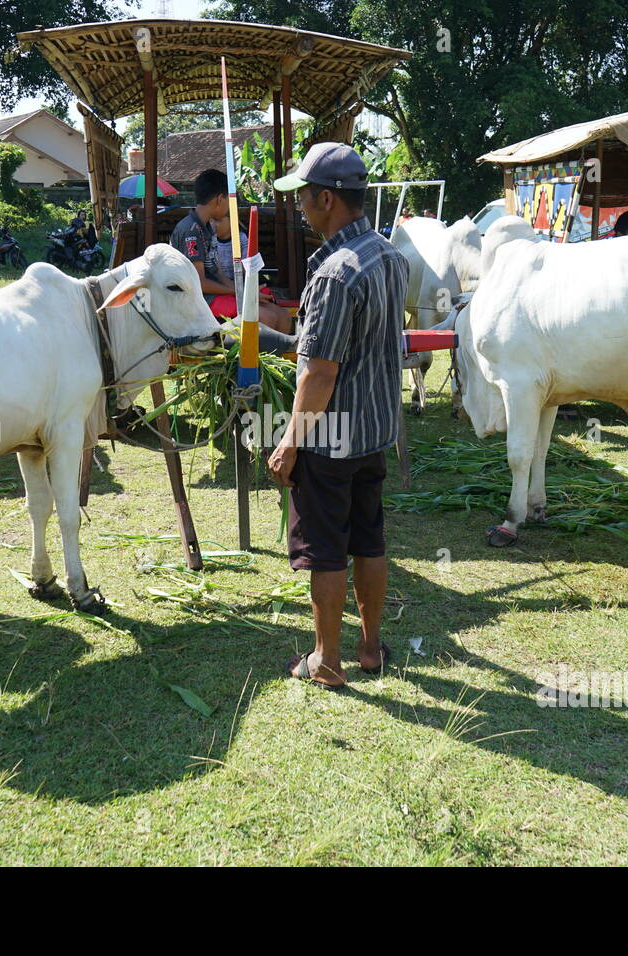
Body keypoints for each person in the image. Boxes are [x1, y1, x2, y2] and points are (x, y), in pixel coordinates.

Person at [268, 142, 408, 689]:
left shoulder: (333, 274)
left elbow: (319, 375)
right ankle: (370, 647)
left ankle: (327, 661)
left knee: (325, 551)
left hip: (330, 439)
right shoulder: (387, 254)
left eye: (304, 197)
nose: (300, 206)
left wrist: (289, 443)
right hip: (373, 431)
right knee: (369, 538)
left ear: (326, 198)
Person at [169, 168, 292, 333]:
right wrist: (240, 292)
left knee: (283, 315)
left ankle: (269, 357)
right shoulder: (191, 231)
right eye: (228, 200)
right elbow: (200, 283)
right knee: (266, 317)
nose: (229, 206)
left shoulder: (207, 228)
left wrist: (243, 292)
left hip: (216, 294)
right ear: (220, 199)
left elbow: (217, 272)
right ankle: (248, 359)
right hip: (199, 299)